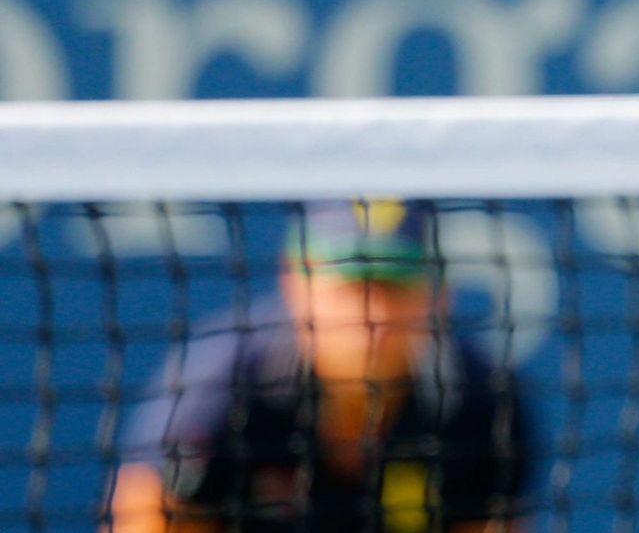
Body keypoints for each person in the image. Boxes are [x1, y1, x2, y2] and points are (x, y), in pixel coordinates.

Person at [105, 199, 533, 532]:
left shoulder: (484, 405)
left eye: (396, 285)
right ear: (297, 281)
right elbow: (146, 516)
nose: (374, 315)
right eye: (353, 285)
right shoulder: (218, 387)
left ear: (440, 297)